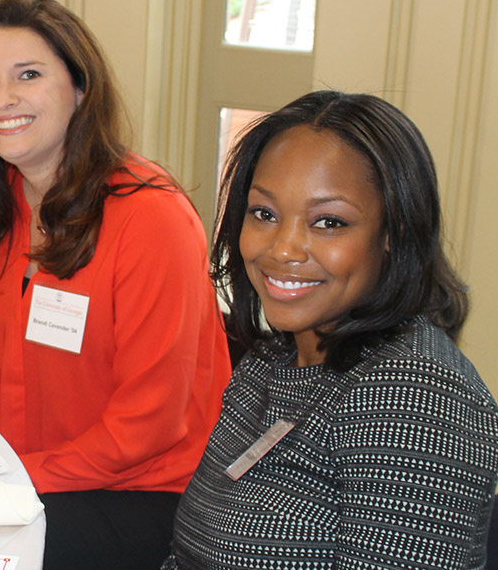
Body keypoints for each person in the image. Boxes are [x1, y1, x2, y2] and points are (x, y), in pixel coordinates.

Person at [0, 0, 231, 569]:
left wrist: (18, 478)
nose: (4, 99)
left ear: (80, 88)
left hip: (147, 493)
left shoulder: (149, 216)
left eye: (29, 75)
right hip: (36, 475)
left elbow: (150, 422)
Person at [164, 91, 498, 569]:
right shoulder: (272, 361)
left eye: (329, 222)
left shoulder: (417, 398)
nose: (283, 249)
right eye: (264, 214)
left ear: (393, 234)